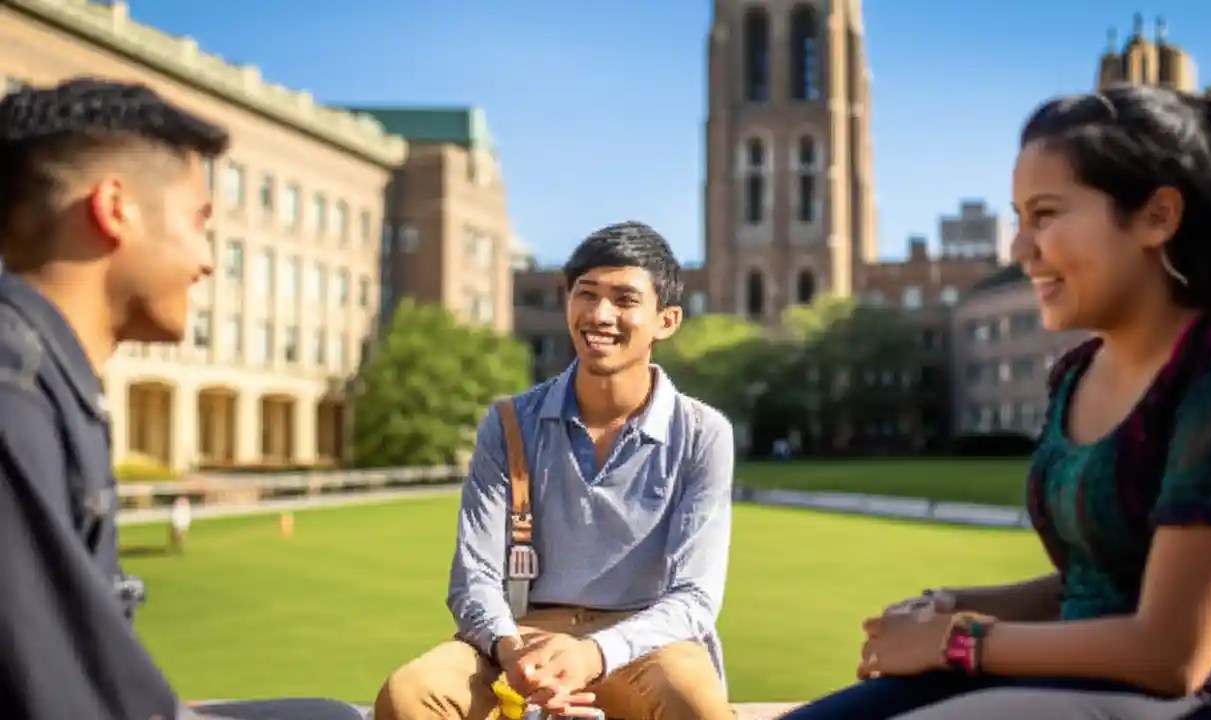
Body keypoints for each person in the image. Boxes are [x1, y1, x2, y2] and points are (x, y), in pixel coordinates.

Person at [781, 84, 1211, 720]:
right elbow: (1093, 586)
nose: (1020, 251)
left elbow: (1171, 653)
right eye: (1018, 219)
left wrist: (959, 641)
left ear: (1158, 217)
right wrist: (952, 603)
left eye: (1044, 216)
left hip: (1205, 702)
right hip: (1080, 681)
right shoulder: (1076, 375)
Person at [0, 78, 364, 720]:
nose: (207, 261)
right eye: (200, 222)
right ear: (115, 208)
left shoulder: (50, 374)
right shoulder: (14, 388)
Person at [373, 221, 738, 720]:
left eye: (625, 299)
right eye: (586, 294)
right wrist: (512, 652)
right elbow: (474, 578)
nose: (600, 314)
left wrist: (593, 652)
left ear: (666, 320)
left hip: (645, 646)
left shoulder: (702, 432)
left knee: (696, 704)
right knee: (409, 695)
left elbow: (694, 598)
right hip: (520, 637)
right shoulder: (510, 423)